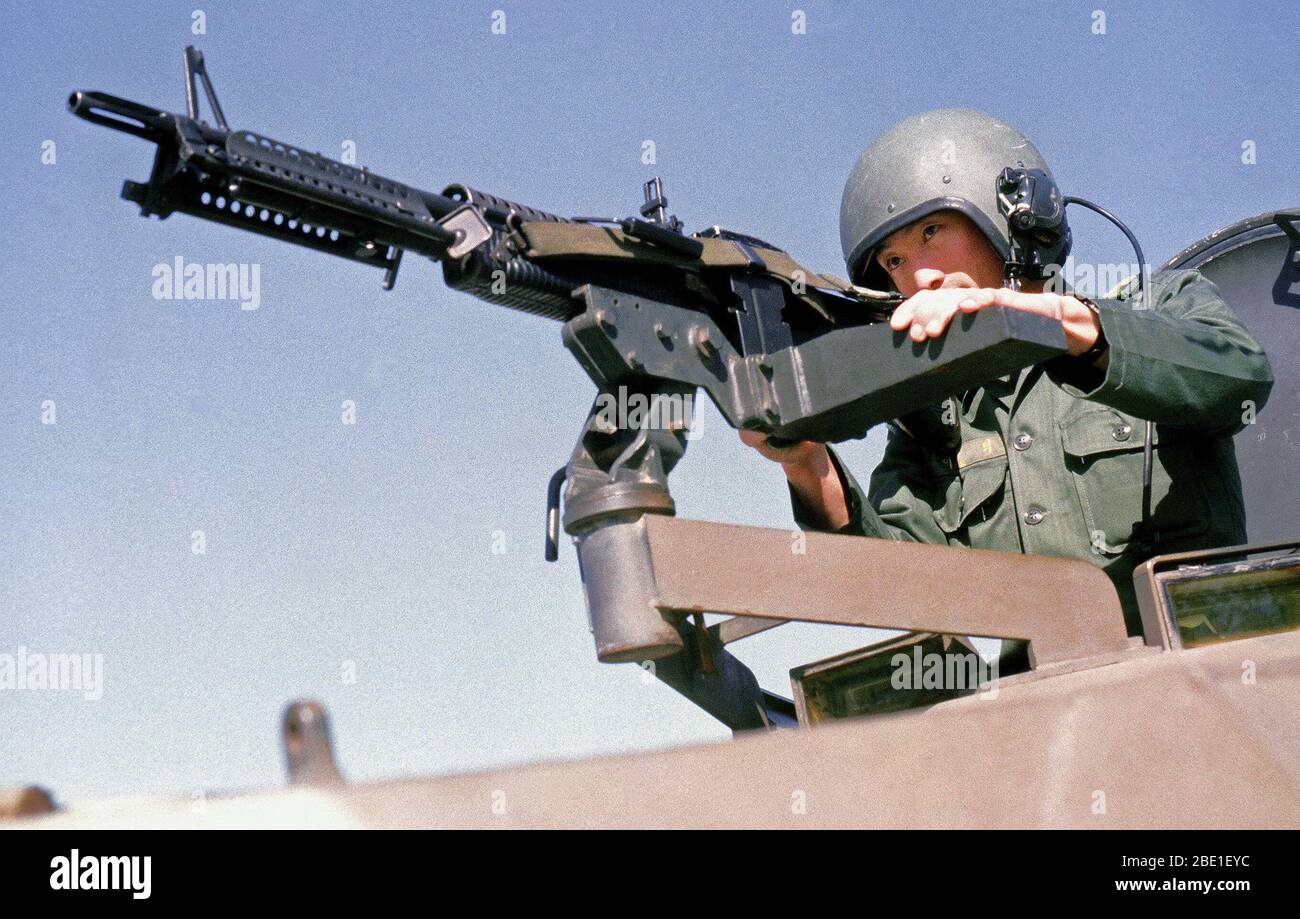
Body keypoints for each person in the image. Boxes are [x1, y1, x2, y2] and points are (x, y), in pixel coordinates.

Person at [742, 109, 1274, 641]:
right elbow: (897, 581)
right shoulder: (937, 417)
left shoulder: (1158, 306)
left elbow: (1239, 377)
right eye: (894, 262)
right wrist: (808, 466)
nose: (919, 276)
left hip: (1209, 675)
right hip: (1041, 706)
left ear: (1011, 222)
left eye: (931, 232)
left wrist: (1055, 323)